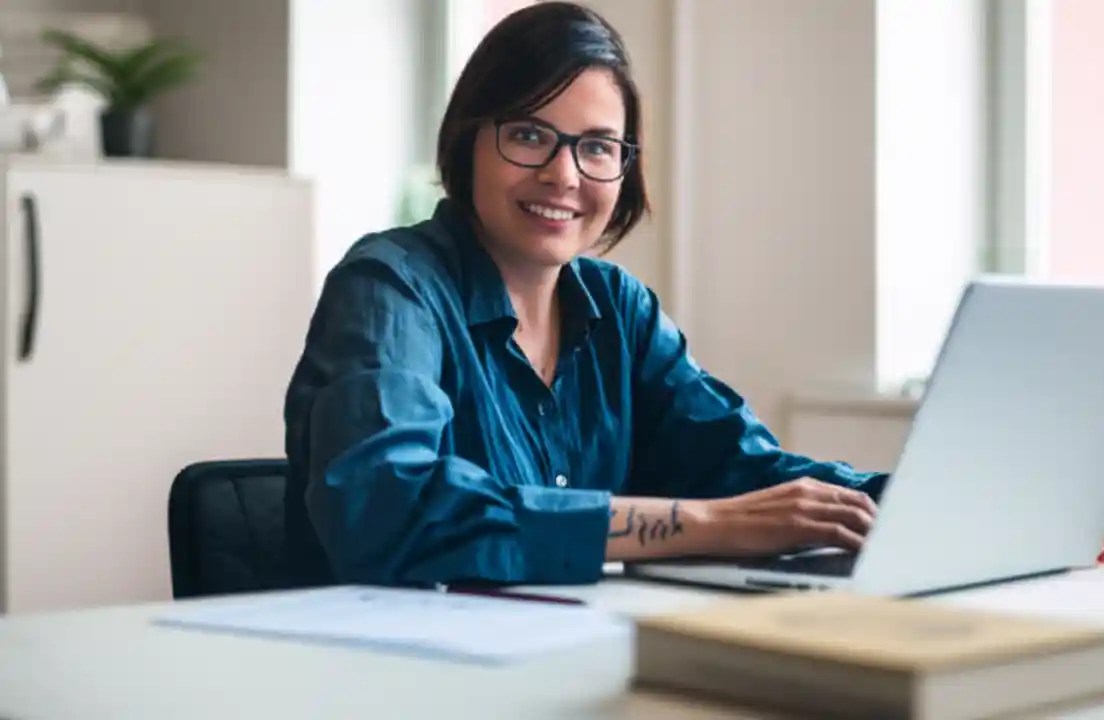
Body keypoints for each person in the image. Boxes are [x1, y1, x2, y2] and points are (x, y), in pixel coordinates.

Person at [283, 1, 888, 589]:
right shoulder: (390, 288)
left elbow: (743, 470)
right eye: (528, 134)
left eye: (597, 146)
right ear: (469, 140)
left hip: (567, 650)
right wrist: (704, 524)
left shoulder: (621, 311)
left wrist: (906, 500)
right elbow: (388, 509)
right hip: (389, 667)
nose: (564, 175)